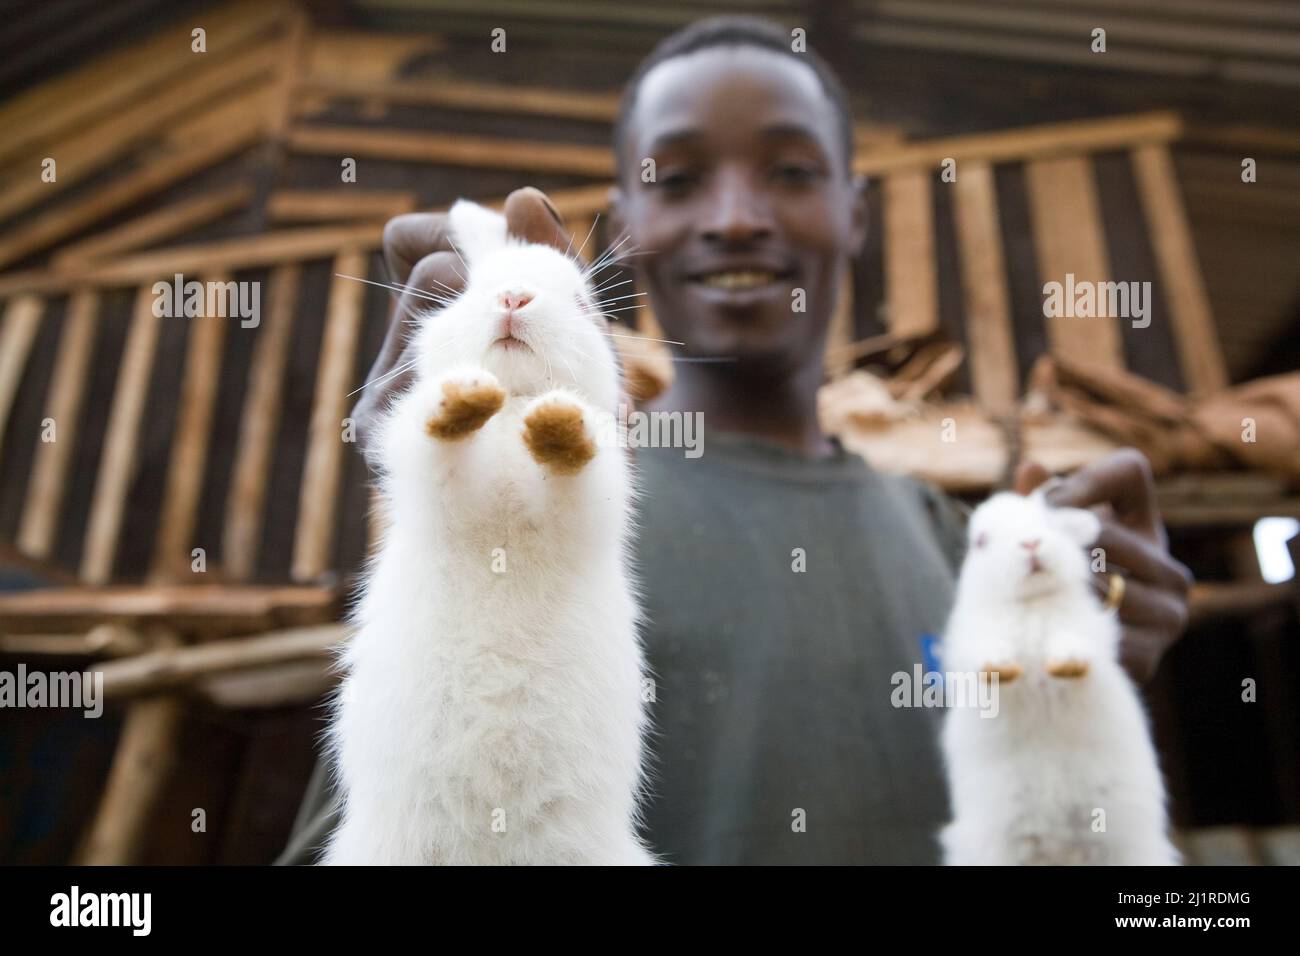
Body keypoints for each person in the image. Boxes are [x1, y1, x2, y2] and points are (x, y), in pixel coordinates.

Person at [279, 16, 1192, 865]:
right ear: (621, 225)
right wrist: (443, 523)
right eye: (677, 180)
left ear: (856, 213)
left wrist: (1089, 669)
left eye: (790, 172)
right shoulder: (538, 512)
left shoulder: (960, 547)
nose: (735, 217)